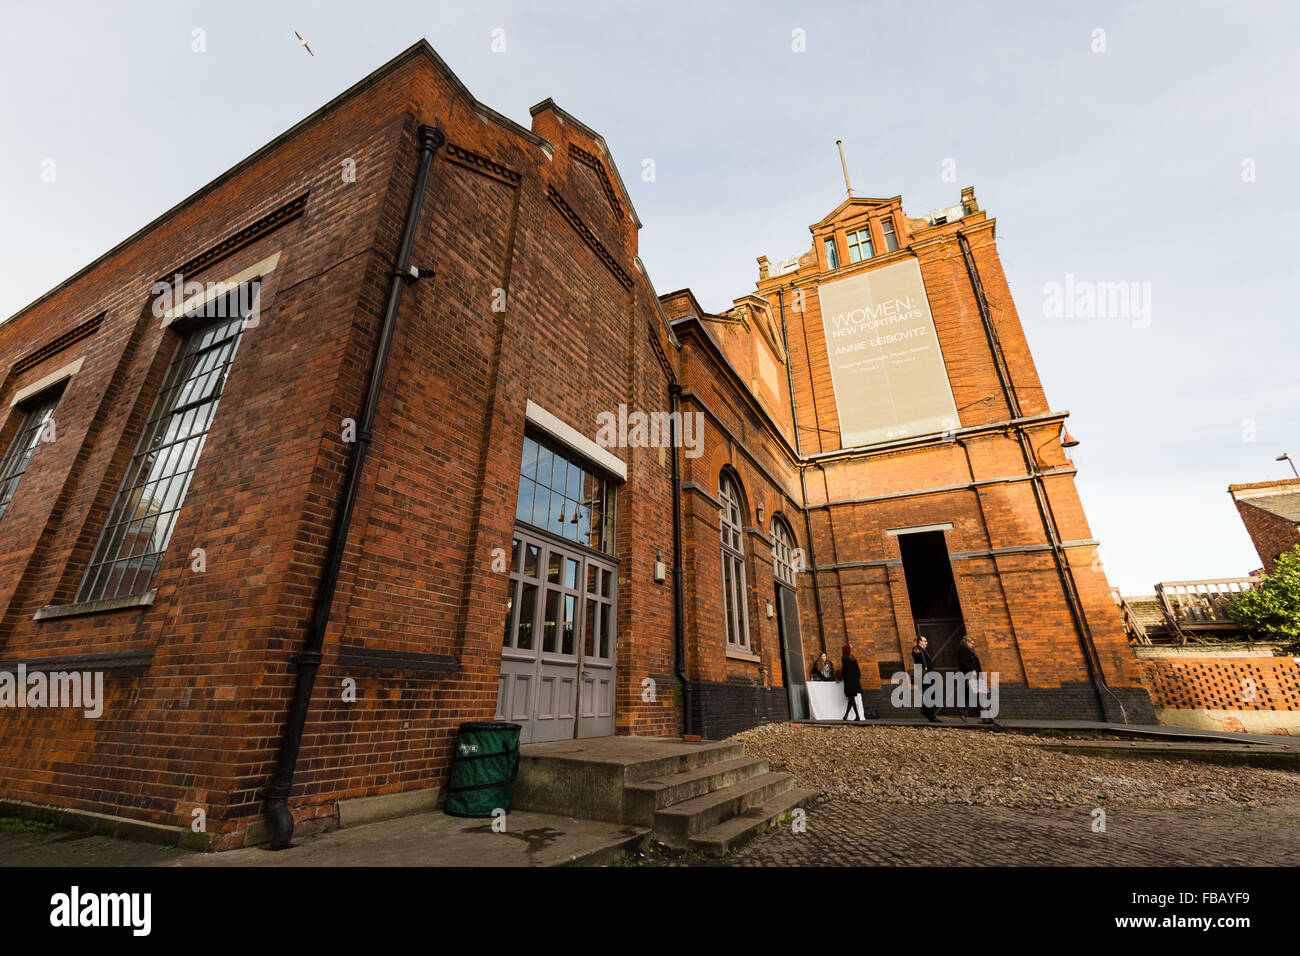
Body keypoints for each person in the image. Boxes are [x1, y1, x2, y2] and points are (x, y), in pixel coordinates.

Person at [911, 635, 938, 722]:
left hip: (929, 675)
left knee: (931, 695)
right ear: (920, 642)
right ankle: (930, 715)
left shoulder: (923, 650)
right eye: (925, 641)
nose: (927, 643)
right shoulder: (916, 649)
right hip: (924, 676)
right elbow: (917, 657)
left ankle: (926, 711)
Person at [956, 635, 982, 722]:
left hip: (974, 675)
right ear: (967, 642)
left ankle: (963, 711)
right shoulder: (963, 650)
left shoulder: (970, 650)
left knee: (976, 694)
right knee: (979, 694)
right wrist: (971, 670)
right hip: (969, 675)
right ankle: (985, 716)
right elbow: (963, 662)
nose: (974, 645)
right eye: (972, 643)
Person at [840, 644, 862, 721]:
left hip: (849, 682)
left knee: (851, 699)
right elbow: (858, 671)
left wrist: (841, 676)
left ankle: (857, 716)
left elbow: (844, 671)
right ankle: (846, 715)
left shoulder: (844, 658)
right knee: (851, 699)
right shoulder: (854, 658)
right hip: (855, 681)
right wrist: (857, 678)